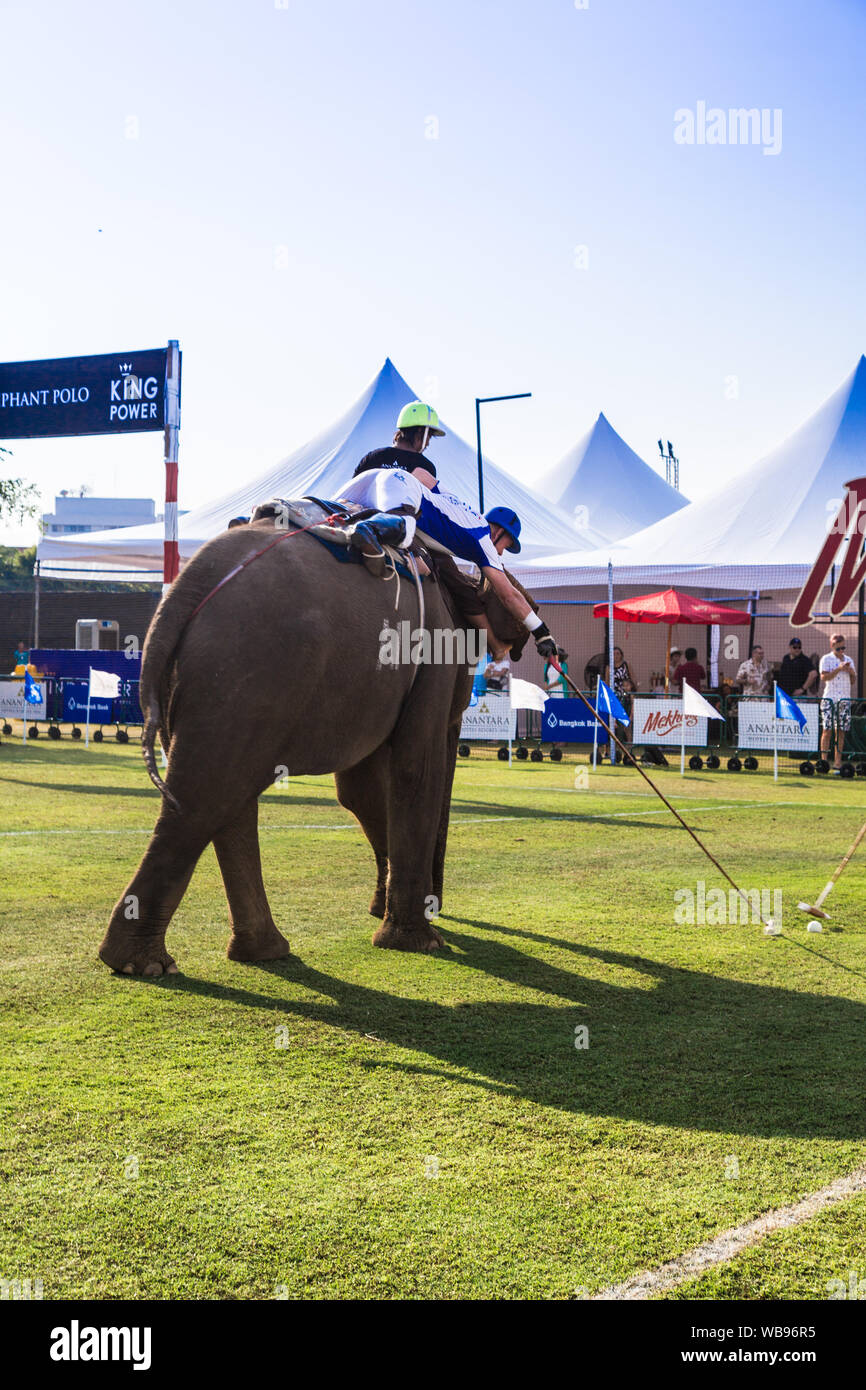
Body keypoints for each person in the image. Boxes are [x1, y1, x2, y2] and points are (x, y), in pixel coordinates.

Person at [336, 401, 562, 664]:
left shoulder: (373, 457)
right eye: (505, 544)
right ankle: (374, 530)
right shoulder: (479, 537)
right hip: (402, 498)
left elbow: (431, 487)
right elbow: (508, 594)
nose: (501, 552)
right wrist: (543, 634)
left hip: (364, 493)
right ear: (498, 531)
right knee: (428, 559)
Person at [819, 633, 856, 772]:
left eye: (843, 648)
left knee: (841, 731)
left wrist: (851, 672)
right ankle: (823, 762)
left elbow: (853, 681)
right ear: (832, 646)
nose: (841, 651)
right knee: (827, 730)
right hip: (830, 698)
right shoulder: (826, 659)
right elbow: (824, 677)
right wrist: (839, 669)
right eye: (838, 648)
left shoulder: (849, 660)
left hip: (844, 699)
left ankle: (837, 762)